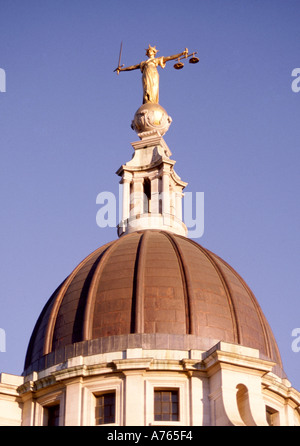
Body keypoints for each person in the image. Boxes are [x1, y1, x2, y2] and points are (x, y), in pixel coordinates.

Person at [116, 45, 188, 104]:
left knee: (153, 88)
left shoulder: (156, 60)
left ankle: (153, 101)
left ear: (154, 52)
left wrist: (181, 53)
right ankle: (147, 101)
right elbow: (133, 67)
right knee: (147, 88)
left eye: (151, 51)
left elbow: (170, 57)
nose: (149, 52)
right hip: (146, 74)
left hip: (153, 73)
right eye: (148, 51)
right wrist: (122, 69)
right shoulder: (143, 63)